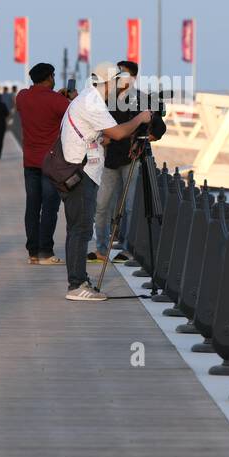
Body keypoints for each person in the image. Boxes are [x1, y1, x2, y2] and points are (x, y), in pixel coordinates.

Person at [59, 63, 150, 302]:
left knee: (77, 229)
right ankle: (76, 285)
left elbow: (106, 135)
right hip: (82, 173)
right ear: (108, 82)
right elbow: (118, 134)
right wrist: (141, 118)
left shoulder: (89, 99)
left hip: (78, 171)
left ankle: (78, 280)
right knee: (80, 230)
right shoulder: (93, 102)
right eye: (117, 81)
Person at [90, 59, 165, 264]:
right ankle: (101, 249)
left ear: (132, 77)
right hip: (110, 158)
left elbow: (159, 126)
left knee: (129, 206)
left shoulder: (142, 99)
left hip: (133, 160)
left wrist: (144, 139)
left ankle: (126, 249)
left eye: (122, 74)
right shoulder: (107, 98)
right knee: (102, 204)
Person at [15, 62, 69, 265]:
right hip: (51, 163)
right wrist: (67, 98)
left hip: (30, 161)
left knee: (32, 206)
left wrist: (57, 96)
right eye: (53, 76)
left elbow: (32, 105)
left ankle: (33, 253)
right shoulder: (56, 100)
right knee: (49, 207)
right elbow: (73, 114)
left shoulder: (22, 96)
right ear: (49, 78)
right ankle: (46, 252)